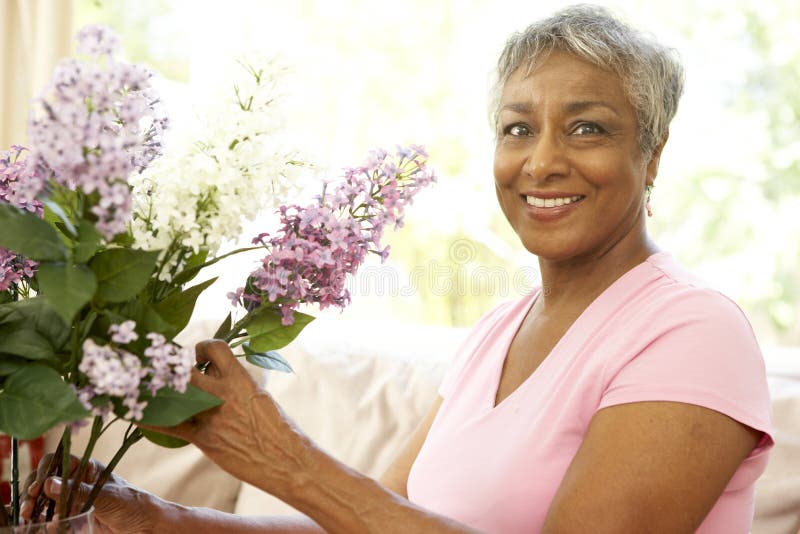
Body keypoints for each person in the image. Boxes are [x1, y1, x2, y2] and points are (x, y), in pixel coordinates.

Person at [22, 4, 773, 533]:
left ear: (653, 156)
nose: (543, 160)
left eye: (588, 127)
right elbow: (363, 522)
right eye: (517, 128)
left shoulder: (691, 331)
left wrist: (286, 459)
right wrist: (155, 518)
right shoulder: (499, 330)